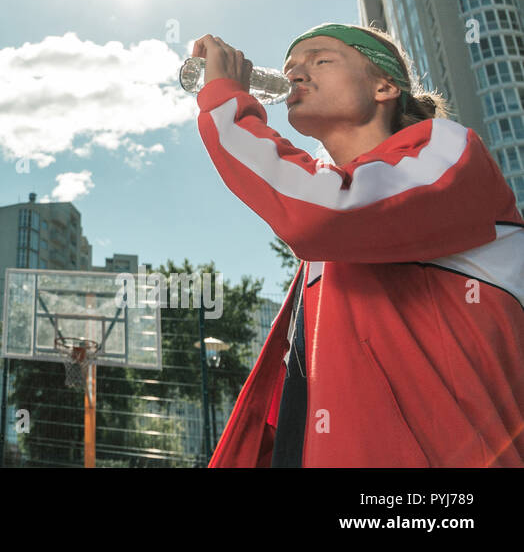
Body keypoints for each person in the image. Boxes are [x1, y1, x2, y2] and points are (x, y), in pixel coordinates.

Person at [192, 24, 524, 467]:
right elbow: (295, 400)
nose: (296, 74)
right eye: (290, 67)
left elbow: (322, 212)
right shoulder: (331, 249)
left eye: (320, 59)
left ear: (385, 86)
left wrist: (225, 103)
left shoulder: (447, 151)